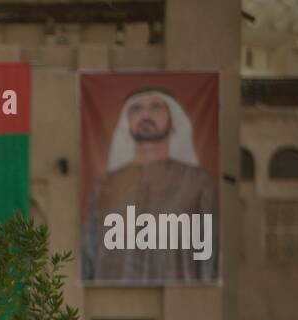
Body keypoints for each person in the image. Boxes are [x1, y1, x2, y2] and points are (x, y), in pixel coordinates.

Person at [81, 86, 217, 283]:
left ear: (173, 122)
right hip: (112, 305)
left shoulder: (196, 181)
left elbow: (207, 256)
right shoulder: (103, 186)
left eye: (156, 107)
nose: (146, 114)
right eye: (136, 109)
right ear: (127, 123)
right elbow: (88, 256)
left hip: (179, 303)